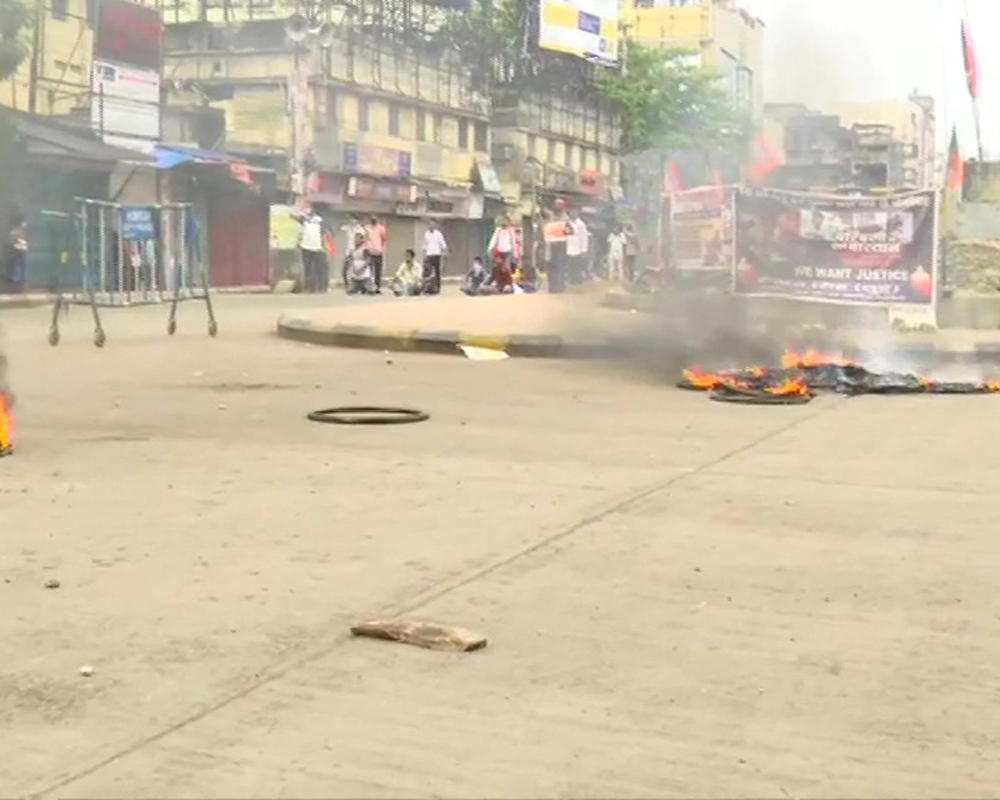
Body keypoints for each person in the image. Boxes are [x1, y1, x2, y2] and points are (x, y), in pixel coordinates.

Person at [293, 208, 327, 293]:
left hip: (313, 247)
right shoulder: (315, 221)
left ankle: (313, 287)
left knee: (311, 269)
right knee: (311, 269)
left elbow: (296, 217)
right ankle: (312, 287)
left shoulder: (314, 220)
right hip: (310, 246)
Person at [421, 219, 447, 294]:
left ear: (435, 225)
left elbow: (442, 243)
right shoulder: (426, 234)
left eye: (432, 224)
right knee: (428, 271)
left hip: (436, 254)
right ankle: (427, 287)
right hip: (429, 255)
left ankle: (437, 287)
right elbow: (425, 245)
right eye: (430, 224)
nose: (431, 226)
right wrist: (424, 255)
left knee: (437, 271)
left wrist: (444, 251)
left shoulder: (438, 234)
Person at [565, 209, 589, 285]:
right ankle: (572, 279)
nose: (572, 213)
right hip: (569, 247)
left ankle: (578, 279)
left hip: (578, 248)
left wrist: (584, 249)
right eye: (571, 212)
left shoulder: (581, 224)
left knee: (577, 265)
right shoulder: (567, 222)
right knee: (570, 265)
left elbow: (584, 237)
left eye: (574, 212)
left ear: (577, 213)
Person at [4, 217, 27, 293]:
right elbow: (15, 243)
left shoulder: (16, 232)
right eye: (24, 223)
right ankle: (16, 285)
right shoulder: (17, 233)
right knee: (17, 268)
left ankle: (16, 284)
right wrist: (21, 247)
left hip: (18, 252)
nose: (25, 225)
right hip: (17, 253)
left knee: (17, 268)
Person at [365, 215, 387, 293]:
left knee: (378, 270)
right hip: (370, 252)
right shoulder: (367, 228)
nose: (373, 221)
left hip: (378, 252)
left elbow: (384, 239)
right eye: (372, 219)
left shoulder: (381, 228)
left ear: (377, 220)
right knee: (369, 270)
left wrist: (380, 247)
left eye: (374, 219)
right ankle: (369, 287)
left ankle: (377, 287)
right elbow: (366, 239)